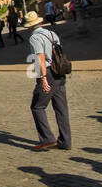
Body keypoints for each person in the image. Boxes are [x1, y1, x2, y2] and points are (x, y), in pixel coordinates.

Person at [25, 10, 71, 151]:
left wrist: (43, 78)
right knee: (61, 108)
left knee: (37, 106)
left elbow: (41, 58)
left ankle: (47, 138)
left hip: (49, 73)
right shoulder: (52, 34)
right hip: (60, 72)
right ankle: (65, 141)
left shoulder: (34, 38)